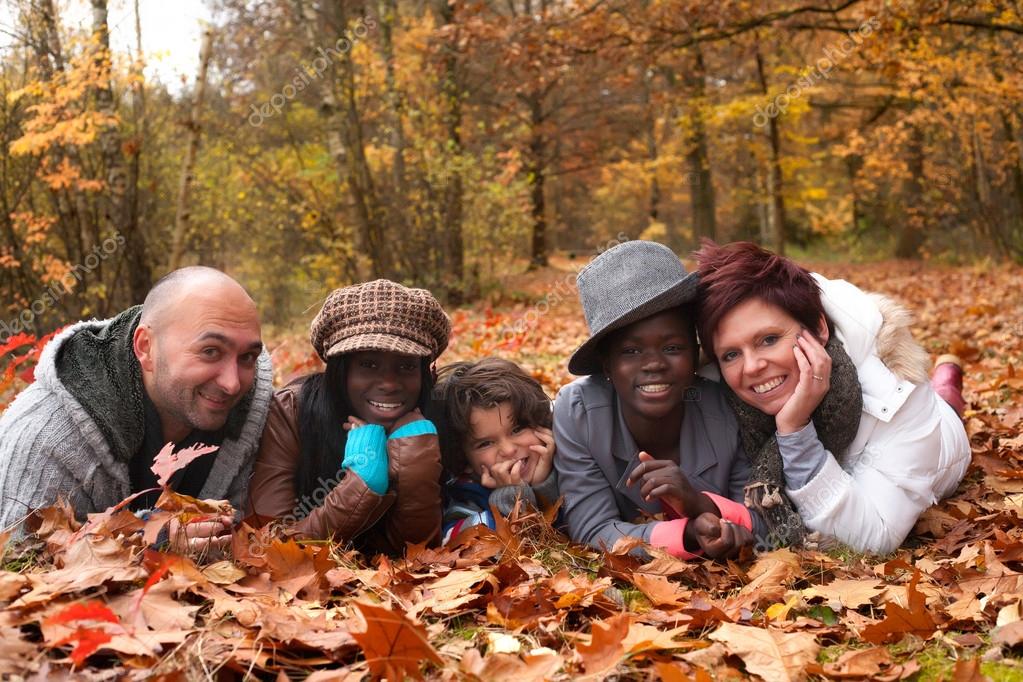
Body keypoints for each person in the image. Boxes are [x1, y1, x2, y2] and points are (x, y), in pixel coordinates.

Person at [694, 240, 971, 554]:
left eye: (769, 339)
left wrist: (795, 431)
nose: (752, 367)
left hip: (946, 439)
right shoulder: (716, 393)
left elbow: (873, 538)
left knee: (946, 402)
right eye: (731, 354)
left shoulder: (895, 395)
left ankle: (948, 381)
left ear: (819, 329)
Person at [0, 267, 272, 555]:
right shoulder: (48, 437)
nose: (232, 384)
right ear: (146, 347)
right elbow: (17, 558)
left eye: (247, 357)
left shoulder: (254, 410)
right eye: (210, 351)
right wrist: (149, 538)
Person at [554, 240, 762, 560]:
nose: (654, 364)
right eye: (631, 351)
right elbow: (593, 529)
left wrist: (699, 503)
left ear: (695, 354)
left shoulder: (727, 409)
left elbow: (761, 522)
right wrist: (687, 535)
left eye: (672, 348)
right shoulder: (579, 413)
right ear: (607, 364)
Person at [246, 279, 451, 555]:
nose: (389, 383)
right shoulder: (292, 411)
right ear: (341, 371)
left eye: (406, 366)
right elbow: (266, 548)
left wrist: (415, 464)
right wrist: (362, 483)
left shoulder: (435, 419)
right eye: (368, 364)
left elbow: (416, 558)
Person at [434, 358, 558, 543]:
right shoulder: (466, 496)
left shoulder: (570, 458)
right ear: (464, 460)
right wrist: (510, 497)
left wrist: (545, 487)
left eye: (517, 429)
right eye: (485, 443)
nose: (508, 450)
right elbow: (455, 540)